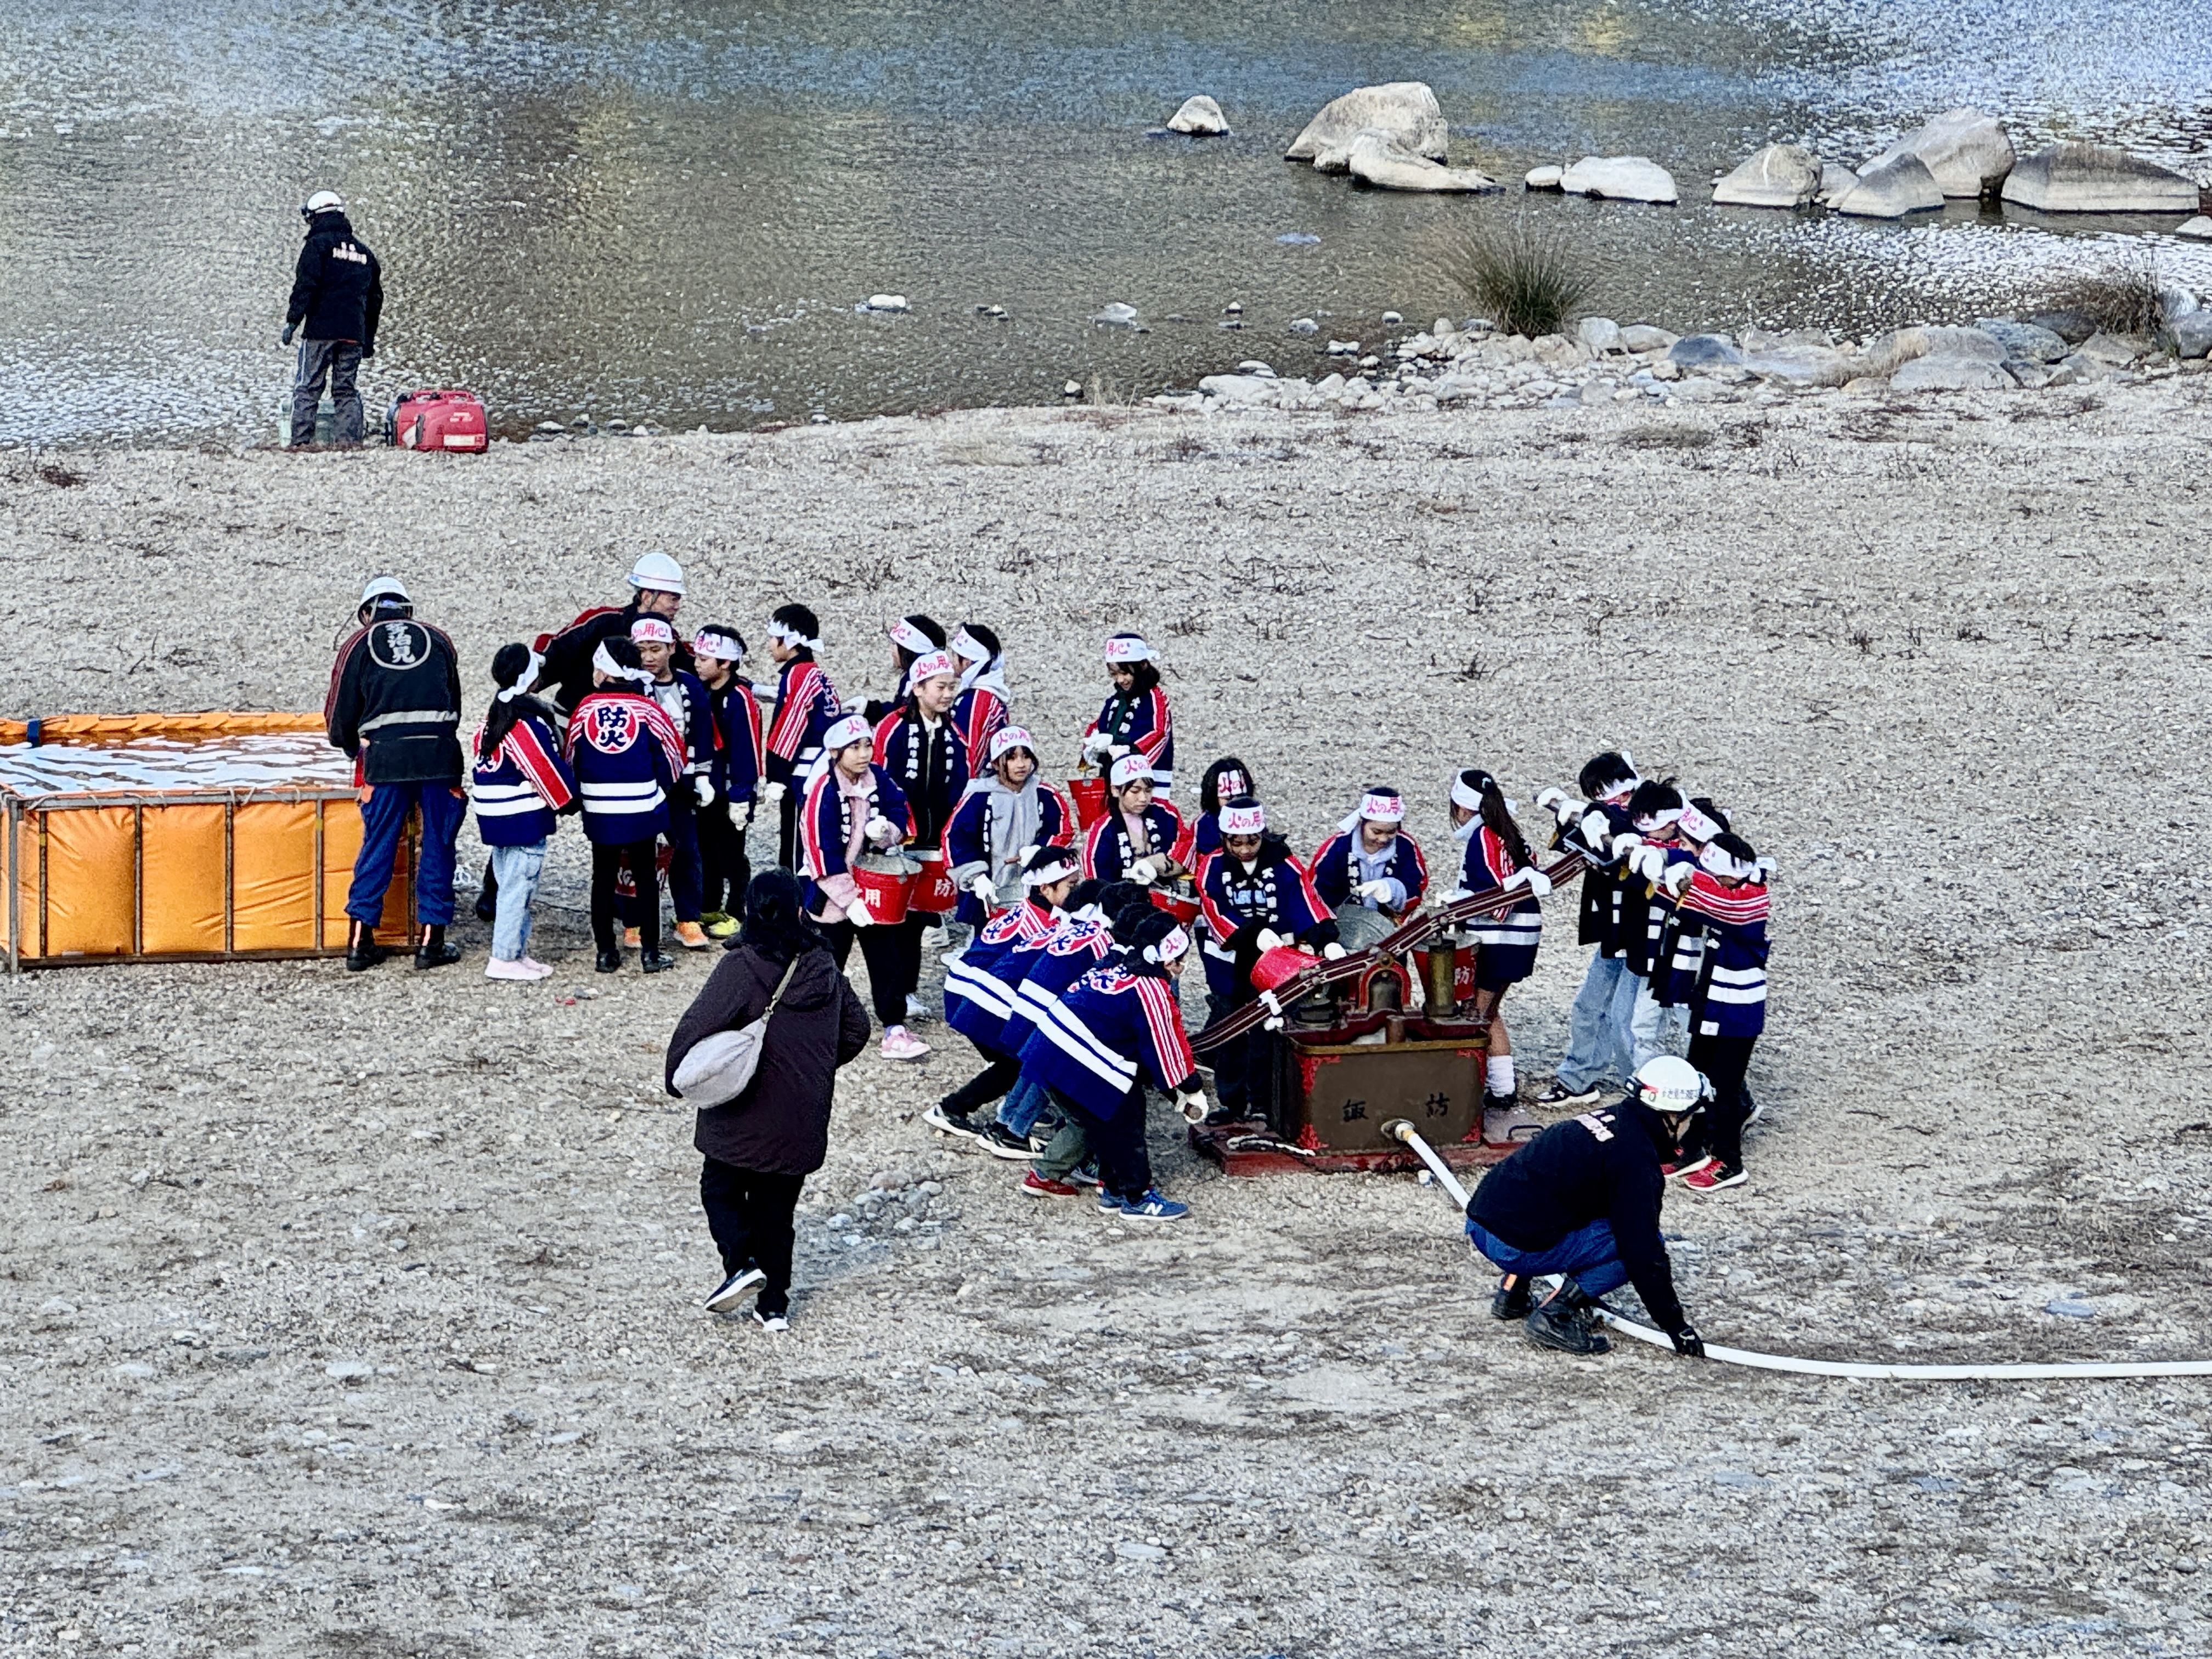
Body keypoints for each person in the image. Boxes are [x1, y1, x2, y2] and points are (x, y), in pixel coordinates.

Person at [667, 868, 871, 1332]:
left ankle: (742, 1264)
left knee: (719, 1188)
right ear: (799, 909)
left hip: (742, 1109)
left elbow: (697, 1026)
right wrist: (814, 1065)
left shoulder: (742, 965)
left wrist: (675, 1078)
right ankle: (774, 1307)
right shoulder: (823, 964)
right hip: (802, 1114)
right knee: (777, 1212)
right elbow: (857, 1030)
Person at [1463, 1056, 1710, 1359]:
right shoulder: (1635, 1160)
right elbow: (1644, 1254)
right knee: (1636, 1244)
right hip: (1513, 1246)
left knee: (1569, 1203)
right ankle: (1555, 1314)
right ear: (1675, 1116)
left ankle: (1512, 1293)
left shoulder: (1609, 1118)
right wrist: (1676, 1326)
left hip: (1481, 1223)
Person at [1020, 908, 1207, 1222]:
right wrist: (1190, 1087)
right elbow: (1166, 1046)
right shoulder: (1151, 990)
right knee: (1125, 1119)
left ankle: (1113, 1186)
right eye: (1178, 961)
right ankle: (1137, 1196)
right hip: (1077, 1057)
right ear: (1165, 959)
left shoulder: (1115, 967)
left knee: (1103, 1116)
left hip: (1046, 1048)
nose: (1180, 968)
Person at [324, 574, 466, 972]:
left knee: (378, 845)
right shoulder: (438, 639)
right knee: (438, 844)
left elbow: (338, 714)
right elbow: (454, 701)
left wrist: (354, 747)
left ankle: (359, 940)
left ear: (367, 612)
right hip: (439, 757)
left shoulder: (359, 643)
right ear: (407, 609)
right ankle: (431, 940)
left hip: (384, 759)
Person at [1193, 797, 1339, 1122]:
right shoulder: (1212, 865)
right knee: (1230, 1031)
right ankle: (1232, 1103)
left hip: (1275, 963)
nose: (1245, 849)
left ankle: (1265, 1102)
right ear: (1224, 839)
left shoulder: (1284, 863)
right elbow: (1213, 908)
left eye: (1252, 841)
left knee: (1268, 1031)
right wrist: (1250, 933)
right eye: (1237, 842)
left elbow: (1304, 899)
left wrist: (1324, 938)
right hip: (1230, 964)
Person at [798, 713, 928, 1060]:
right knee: (827, 961)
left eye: (867, 744)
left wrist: (889, 832)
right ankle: (813, 1025)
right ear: (836, 751)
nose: (863, 753)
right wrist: (847, 897)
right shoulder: (822, 792)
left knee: (886, 957)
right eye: (854, 746)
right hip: (832, 893)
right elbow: (819, 852)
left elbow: (901, 809)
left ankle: (894, 1026)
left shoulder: (878, 778)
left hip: (874, 887)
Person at [1012, 881, 1154, 1196]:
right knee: (1094, 1117)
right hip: (1068, 1047)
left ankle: (1013, 1127)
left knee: (1076, 1108)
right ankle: (1052, 1172)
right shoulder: (1128, 964)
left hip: (1043, 1030)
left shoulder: (1093, 938)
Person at [929, 845, 1079, 1139]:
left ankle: (1017, 1104)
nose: (1076, 891)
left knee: (1014, 1056)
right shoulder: (1044, 926)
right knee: (1016, 1061)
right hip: (978, 994)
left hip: (967, 985)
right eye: (1071, 885)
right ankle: (952, 1109)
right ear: (1046, 889)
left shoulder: (1033, 911)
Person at [566, 636, 685, 974]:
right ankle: (650, 952)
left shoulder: (585, 708)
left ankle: (606, 952)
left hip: (599, 806)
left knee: (602, 876)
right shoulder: (647, 709)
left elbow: (570, 756)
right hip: (641, 805)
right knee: (646, 876)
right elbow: (673, 757)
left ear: (603, 670)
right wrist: (663, 790)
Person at [1447, 768, 1551, 1146]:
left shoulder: (1483, 836)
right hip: (1520, 938)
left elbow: (1496, 895)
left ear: (1461, 806)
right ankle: (1502, 1086)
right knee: (1490, 1012)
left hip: (1499, 938)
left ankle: (1489, 1087)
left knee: (1479, 1012)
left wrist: (1459, 903)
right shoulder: (1506, 831)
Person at [1531, 752, 1641, 1108]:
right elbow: (1580, 849)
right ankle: (1579, 1079)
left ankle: (1640, 1092)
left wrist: (1596, 817)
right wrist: (1566, 816)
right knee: (1588, 1006)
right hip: (1614, 931)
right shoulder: (1605, 816)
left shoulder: (1650, 814)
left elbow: (1630, 840)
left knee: (1630, 1021)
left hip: (1645, 937)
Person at [872, 649, 968, 1025]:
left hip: (933, 839)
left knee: (917, 918)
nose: (947, 695)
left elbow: (961, 783)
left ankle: (906, 991)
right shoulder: (892, 728)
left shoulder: (953, 732)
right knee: (888, 918)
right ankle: (889, 994)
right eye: (941, 687)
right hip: (896, 837)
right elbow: (878, 778)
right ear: (919, 688)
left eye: (952, 687)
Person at [469, 643, 576, 981]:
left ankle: (515, 950)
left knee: (509, 881)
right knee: (520, 884)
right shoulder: (525, 722)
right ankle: (503, 956)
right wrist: (569, 800)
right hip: (522, 816)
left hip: (495, 815)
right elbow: (545, 768)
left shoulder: (494, 718)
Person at [1674, 832, 1773, 1194]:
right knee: (1697, 1075)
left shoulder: (1750, 898)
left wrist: (1689, 878)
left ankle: (1729, 1160)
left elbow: (1721, 907)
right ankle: (1693, 1146)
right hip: (1712, 997)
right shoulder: (1727, 890)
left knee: (1725, 1087)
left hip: (1738, 1009)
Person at [631, 614, 715, 951]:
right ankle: (635, 919)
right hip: (642, 782)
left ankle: (688, 918)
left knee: (686, 848)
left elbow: (703, 733)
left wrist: (704, 776)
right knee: (635, 852)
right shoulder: (632, 687)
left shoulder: (689, 686)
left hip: (682, 781)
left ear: (671, 648)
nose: (649, 657)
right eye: (641, 650)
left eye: (656, 649)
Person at [944, 726, 1077, 929]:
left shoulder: (1045, 794)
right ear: (997, 763)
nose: (1021, 764)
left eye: (1025, 756)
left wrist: (1040, 851)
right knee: (987, 933)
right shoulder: (978, 798)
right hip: (991, 884)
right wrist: (976, 876)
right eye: (1012, 758)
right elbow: (955, 838)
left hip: (1034, 883)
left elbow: (1062, 829)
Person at [533, 552, 689, 716]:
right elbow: (559, 649)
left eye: (655, 650)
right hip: (572, 721)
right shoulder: (602, 621)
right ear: (647, 597)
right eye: (673, 598)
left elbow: (693, 667)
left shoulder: (670, 639)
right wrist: (530, 677)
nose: (677, 606)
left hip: (627, 728)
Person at [283, 190, 381, 449]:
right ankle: (348, 443)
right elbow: (374, 303)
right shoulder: (365, 254)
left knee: (308, 387)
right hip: (354, 334)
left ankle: (301, 443)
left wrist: (293, 321)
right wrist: (367, 341)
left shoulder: (317, 246)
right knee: (346, 390)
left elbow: (306, 286)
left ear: (315, 218)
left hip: (320, 332)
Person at [692, 624, 762, 939]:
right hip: (707, 787)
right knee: (705, 848)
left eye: (706, 658)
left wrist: (742, 794)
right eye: (697, 656)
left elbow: (747, 748)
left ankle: (737, 911)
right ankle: (709, 906)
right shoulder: (700, 690)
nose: (697, 663)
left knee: (731, 853)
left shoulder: (739, 699)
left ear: (726, 663)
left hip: (732, 789)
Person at [761, 604, 843, 870]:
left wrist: (776, 773)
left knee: (798, 842)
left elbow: (791, 725)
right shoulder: (814, 673)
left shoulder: (800, 674)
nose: (771, 644)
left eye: (774, 638)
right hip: (822, 767)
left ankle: (796, 903)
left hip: (803, 773)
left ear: (790, 641)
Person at [1309, 787, 1429, 944]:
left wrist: (1392, 889)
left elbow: (1417, 885)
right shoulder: (1337, 848)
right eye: (1376, 832)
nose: (1384, 839)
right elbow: (1316, 892)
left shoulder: (1406, 847)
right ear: (1362, 823)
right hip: (1342, 932)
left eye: (1391, 832)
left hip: (1389, 932)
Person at [1079, 633, 1173, 792]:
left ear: (1142, 665)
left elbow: (1158, 733)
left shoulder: (1155, 698)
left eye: (1125, 673)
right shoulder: (1115, 700)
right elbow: (1099, 727)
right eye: (1114, 674)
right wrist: (1090, 751)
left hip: (1147, 781)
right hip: (1114, 779)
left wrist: (1120, 744)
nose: (1120, 680)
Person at [1080, 753, 1194, 884]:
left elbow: (1187, 848)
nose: (1143, 798)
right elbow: (1095, 877)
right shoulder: (1103, 829)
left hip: (1163, 895)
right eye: (1135, 791)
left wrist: (1157, 862)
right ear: (1115, 791)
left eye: (1148, 791)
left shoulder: (1165, 814)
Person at [949, 624, 1009, 773]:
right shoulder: (986, 694)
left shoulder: (979, 700)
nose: (951, 661)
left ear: (968, 662)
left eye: (955, 655)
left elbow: (971, 751)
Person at [871, 614, 948, 721]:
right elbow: (898, 709)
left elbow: (904, 719)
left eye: (895, 644)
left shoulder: (923, 687)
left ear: (908, 651)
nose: (892, 649)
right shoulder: (911, 678)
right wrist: (871, 709)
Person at [1192, 756, 1259, 860]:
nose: (1235, 803)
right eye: (1228, 799)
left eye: (1241, 797)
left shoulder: (1255, 817)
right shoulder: (1205, 826)